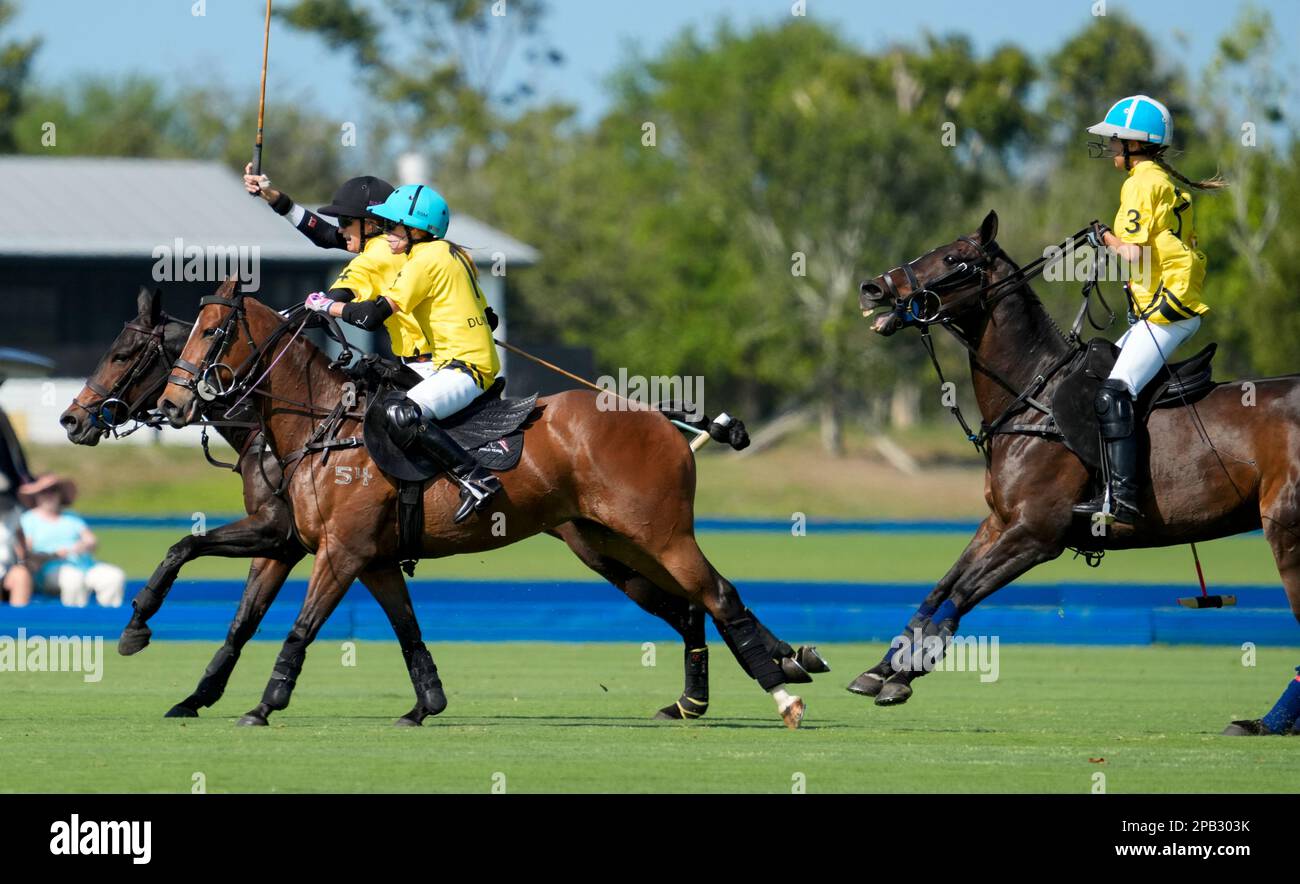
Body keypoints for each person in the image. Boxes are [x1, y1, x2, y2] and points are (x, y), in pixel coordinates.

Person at [305, 184, 502, 523]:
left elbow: (370, 317)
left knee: (399, 412)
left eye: (394, 227)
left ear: (417, 230)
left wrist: (327, 305)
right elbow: (490, 319)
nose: (387, 235)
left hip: (463, 369)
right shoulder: (454, 253)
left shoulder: (425, 259)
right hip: (458, 363)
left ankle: (476, 478)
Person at [1073, 95, 1223, 525]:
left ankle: (1122, 502)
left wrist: (1105, 240)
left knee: (1113, 392)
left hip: (1167, 312)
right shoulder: (1157, 177)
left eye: (1115, 139)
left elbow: (1135, 256)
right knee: (1099, 375)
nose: (1110, 147)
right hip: (1163, 308)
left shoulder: (1141, 183)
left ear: (1134, 144)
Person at [17, 475, 124, 607]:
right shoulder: (28, 519)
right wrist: (54, 555)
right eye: (44, 491)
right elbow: (25, 552)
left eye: (53, 490)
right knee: (73, 578)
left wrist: (85, 545)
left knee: (114, 576)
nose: (49, 495)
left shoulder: (71, 516)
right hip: (50, 570)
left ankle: (108, 622)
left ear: (60, 494)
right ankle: (76, 624)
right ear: (36, 495)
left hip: (84, 564)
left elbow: (91, 540)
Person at [0, 500, 31, 605]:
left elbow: (20, 539)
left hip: (6, 572)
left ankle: (20, 620)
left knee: (21, 575)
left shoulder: (14, 512)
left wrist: (21, 564)